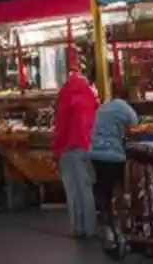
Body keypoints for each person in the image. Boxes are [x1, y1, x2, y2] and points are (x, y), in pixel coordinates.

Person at [53, 70, 99, 240]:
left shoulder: (65, 98)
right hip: (84, 145)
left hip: (67, 148)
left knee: (72, 190)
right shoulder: (89, 98)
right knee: (86, 188)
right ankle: (91, 227)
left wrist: (56, 149)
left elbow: (61, 127)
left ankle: (77, 227)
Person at [89, 84, 139, 220]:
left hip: (94, 152)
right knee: (116, 185)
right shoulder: (124, 107)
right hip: (113, 154)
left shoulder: (104, 107)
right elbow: (135, 125)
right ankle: (114, 215)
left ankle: (101, 215)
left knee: (100, 186)